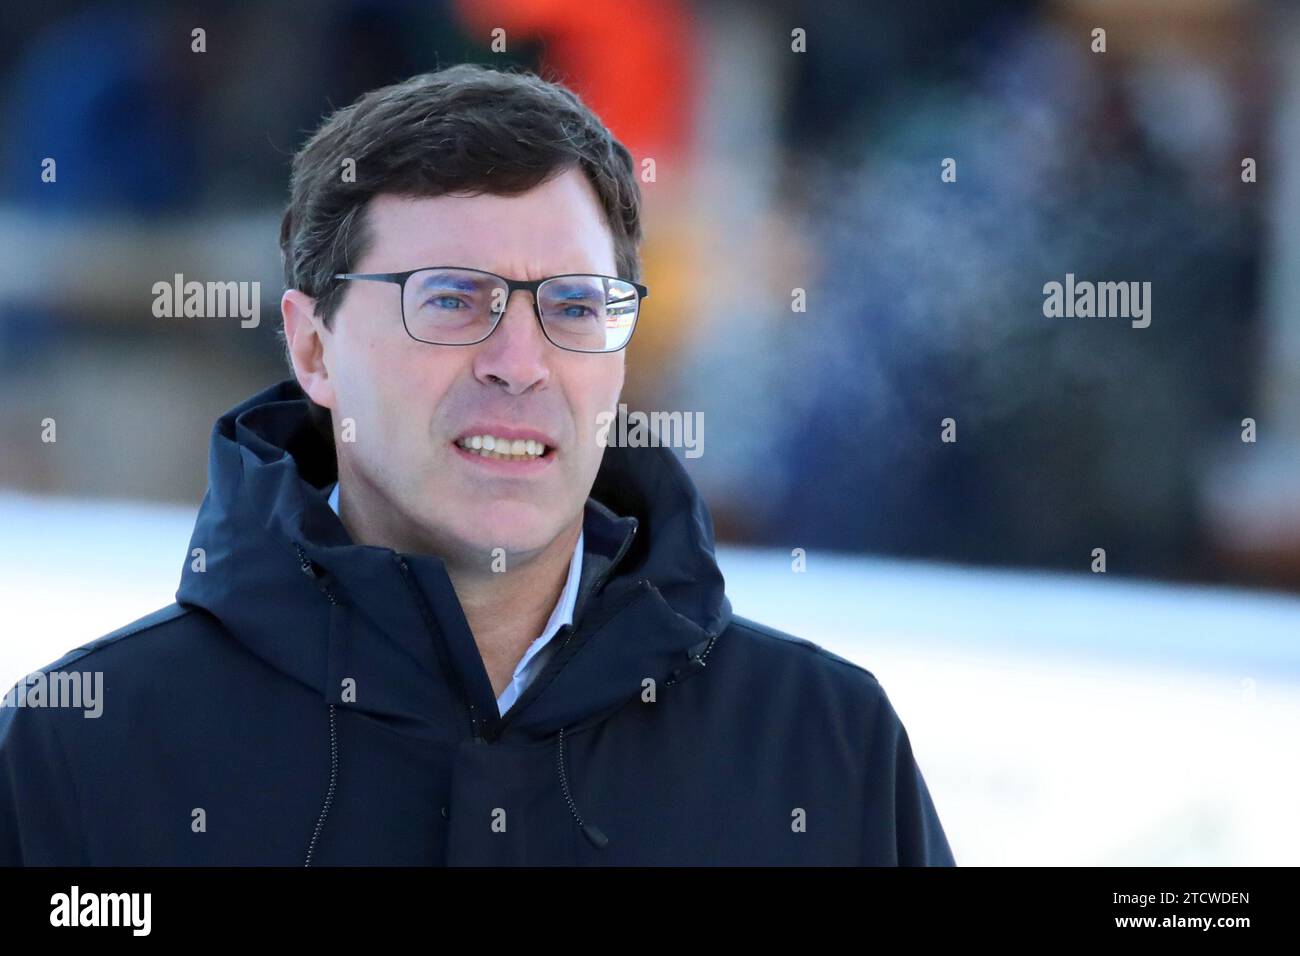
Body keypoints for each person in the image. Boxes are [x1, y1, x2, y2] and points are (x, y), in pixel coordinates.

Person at [0, 64, 954, 866]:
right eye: (453, 299)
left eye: (575, 306)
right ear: (314, 349)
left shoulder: (824, 748)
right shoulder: (80, 753)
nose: (519, 361)